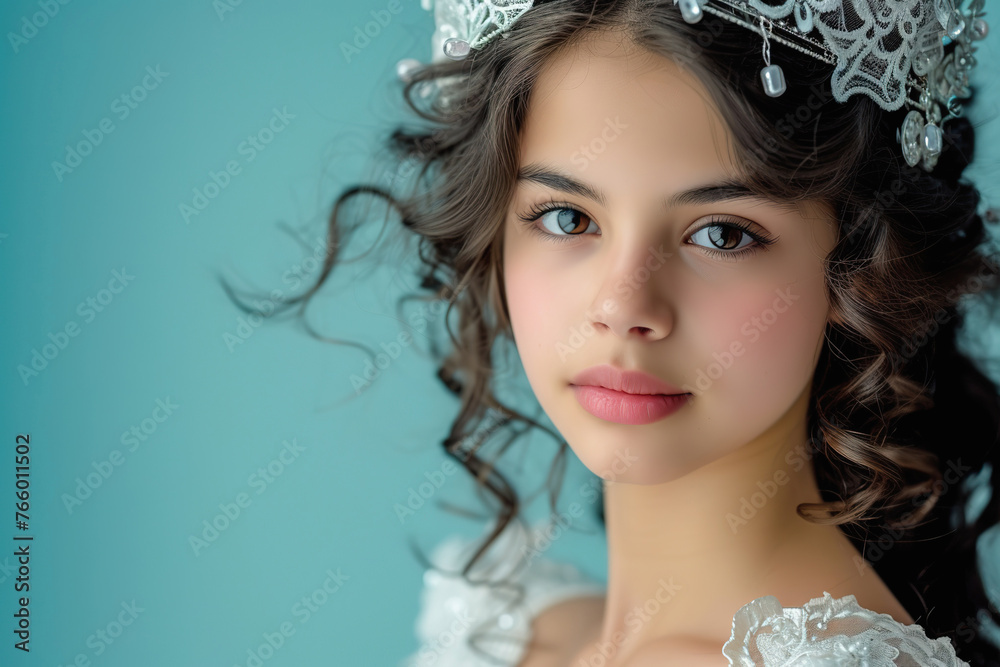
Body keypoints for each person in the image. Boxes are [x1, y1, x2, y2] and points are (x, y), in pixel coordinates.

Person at [228, 0, 1000, 664]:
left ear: (858, 264)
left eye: (722, 234)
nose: (625, 305)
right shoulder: (510, 633)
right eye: (567, 218)